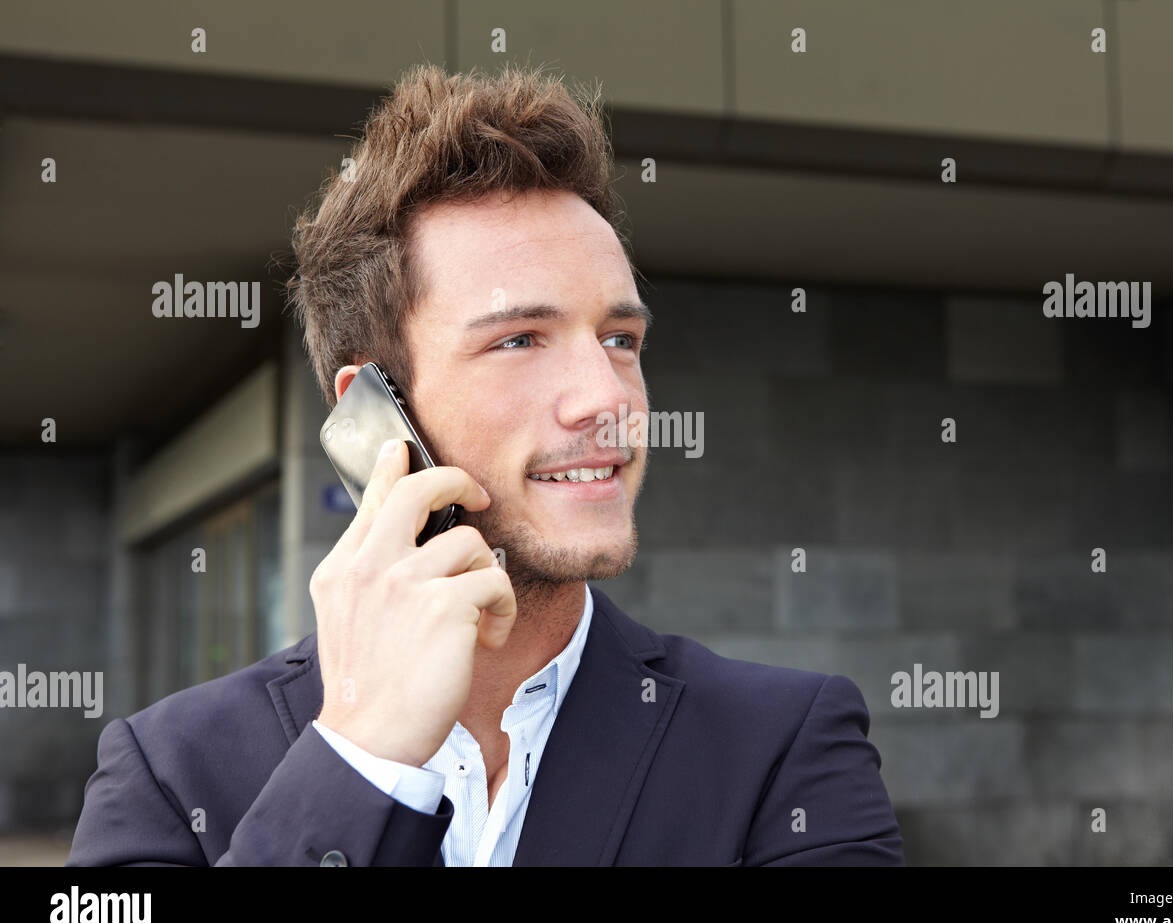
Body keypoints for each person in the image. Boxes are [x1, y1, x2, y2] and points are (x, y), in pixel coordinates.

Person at [67, 62, 903, 866]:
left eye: (620, 340)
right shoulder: (168, 771)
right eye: (518, 340)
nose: (604, 398)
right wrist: (361, 756)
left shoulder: (783, 748)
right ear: (375, 409)